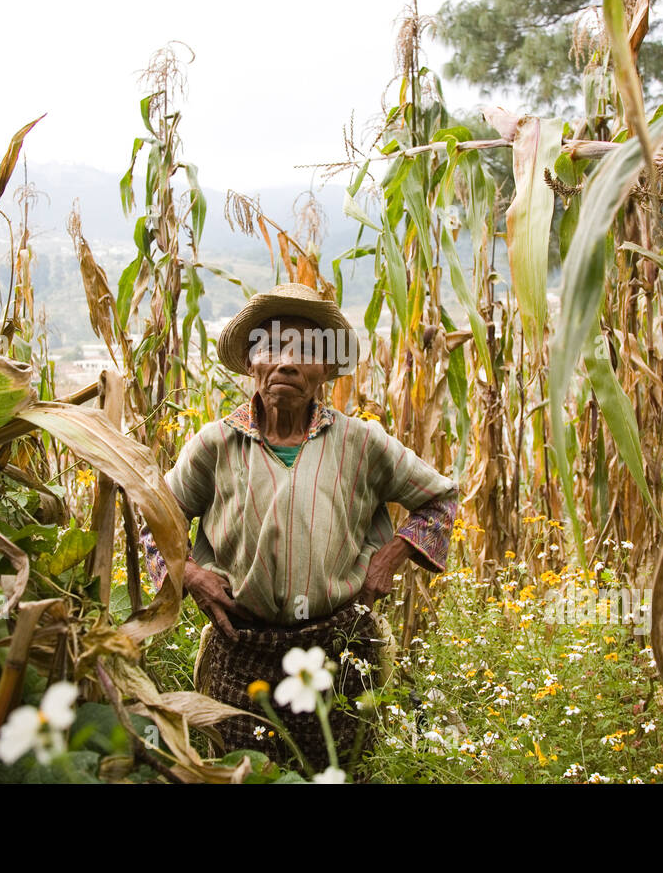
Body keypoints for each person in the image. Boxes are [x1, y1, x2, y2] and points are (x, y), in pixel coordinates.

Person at [138, 282, 457, 775]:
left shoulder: (361, 443)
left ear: (327, 370)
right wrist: (193, 576)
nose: (286, 363)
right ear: (251, 363)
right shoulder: (215, 446)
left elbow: (439, 498)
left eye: (306, 351)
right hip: (240, 657)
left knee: (340, 770)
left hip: (340, 653)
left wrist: (387, 560)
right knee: (242, 773)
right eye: (270, 347)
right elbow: (156, 520)